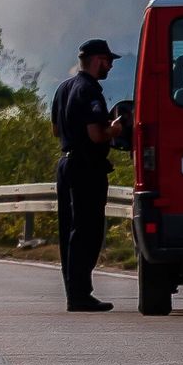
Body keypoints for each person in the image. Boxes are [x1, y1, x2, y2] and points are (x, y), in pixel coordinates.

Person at [50, 37, 124, 312]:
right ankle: (81, 295)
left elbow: (56, 130)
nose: (110, 67)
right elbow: (96, 135)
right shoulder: (90, 91)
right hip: (86, 168)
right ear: (96, 60)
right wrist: (113, 131)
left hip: (66, 164)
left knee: (69, 229)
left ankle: (74, 292)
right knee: (88, 231)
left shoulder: (64, 88)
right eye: (108, 61)